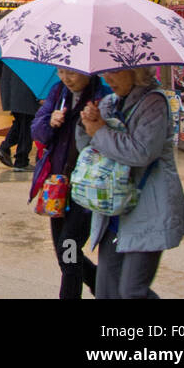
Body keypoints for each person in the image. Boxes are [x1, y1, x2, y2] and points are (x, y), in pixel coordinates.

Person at [77, 64, 184, 299]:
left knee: (132, 291)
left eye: (116, 71)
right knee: (106, 291)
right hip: (112, 209)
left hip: (148, 206)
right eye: (105, 71)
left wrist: (99, 131)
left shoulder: (154, 103)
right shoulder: (109, 102)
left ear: (137, 71)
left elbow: (141, 152)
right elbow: (90, 151)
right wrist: (86, 124)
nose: (108, 77)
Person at [31, 67, 108, 298]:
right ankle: (98, 281)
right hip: (57, 185)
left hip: (87, 188)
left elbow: (112, 143)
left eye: (71, 73)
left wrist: (97, 124)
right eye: (61, 72)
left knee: (68, 247)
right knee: (64, 252)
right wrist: (50, 122)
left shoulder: (103, 98)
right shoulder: (57, 93)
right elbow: (37, 130)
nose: (66, 78)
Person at [0, 56, 40, 171]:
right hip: (27, 89)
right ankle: (21, 160)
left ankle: (5, 148)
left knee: (21, 122)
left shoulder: (11, 46)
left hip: (11, 87)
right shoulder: (34, 48)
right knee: (27, 124)